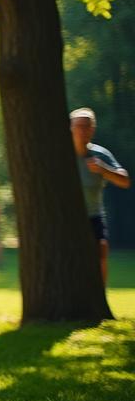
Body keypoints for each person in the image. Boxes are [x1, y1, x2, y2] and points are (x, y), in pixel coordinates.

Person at [71, 107, 130, 285]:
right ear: (71, 128)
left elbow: (125, 181)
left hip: (93, 215)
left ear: (93, 130)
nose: (83, 131)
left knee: (102, 248)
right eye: (79, 126)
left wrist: (104, 170)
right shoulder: (61, 155)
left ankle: (99, 295)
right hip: (68, 218)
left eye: (87, 127)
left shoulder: (100, 154)